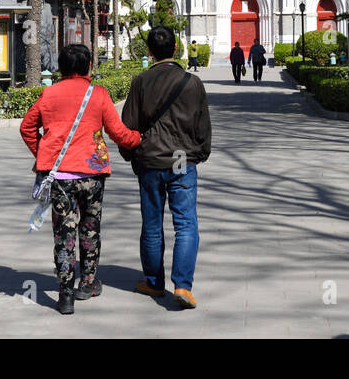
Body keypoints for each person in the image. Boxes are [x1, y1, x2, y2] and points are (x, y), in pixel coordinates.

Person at [21, 43, 141, 316]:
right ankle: (87, 283)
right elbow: (118, 133)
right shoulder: (97, 94)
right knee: (90, 229)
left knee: (64, 236)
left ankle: (65, 297)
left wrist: (43, 152)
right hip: (93, 175)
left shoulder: (48, 94)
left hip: (60, 178)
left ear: (62, 67)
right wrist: (138, 140)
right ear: (87, 66)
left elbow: (26, 126)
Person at [120, 26, 211, 309]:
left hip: (150, 160)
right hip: (183, 159)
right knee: (185, 223)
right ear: (175, 49)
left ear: (149, 51)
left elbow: (128, 125)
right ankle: (183, 285)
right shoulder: (192, 82)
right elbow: (202, 125)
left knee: (152, 223)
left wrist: (131, 154)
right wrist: (200, 154)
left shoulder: (140, 81)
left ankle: (154, 282)